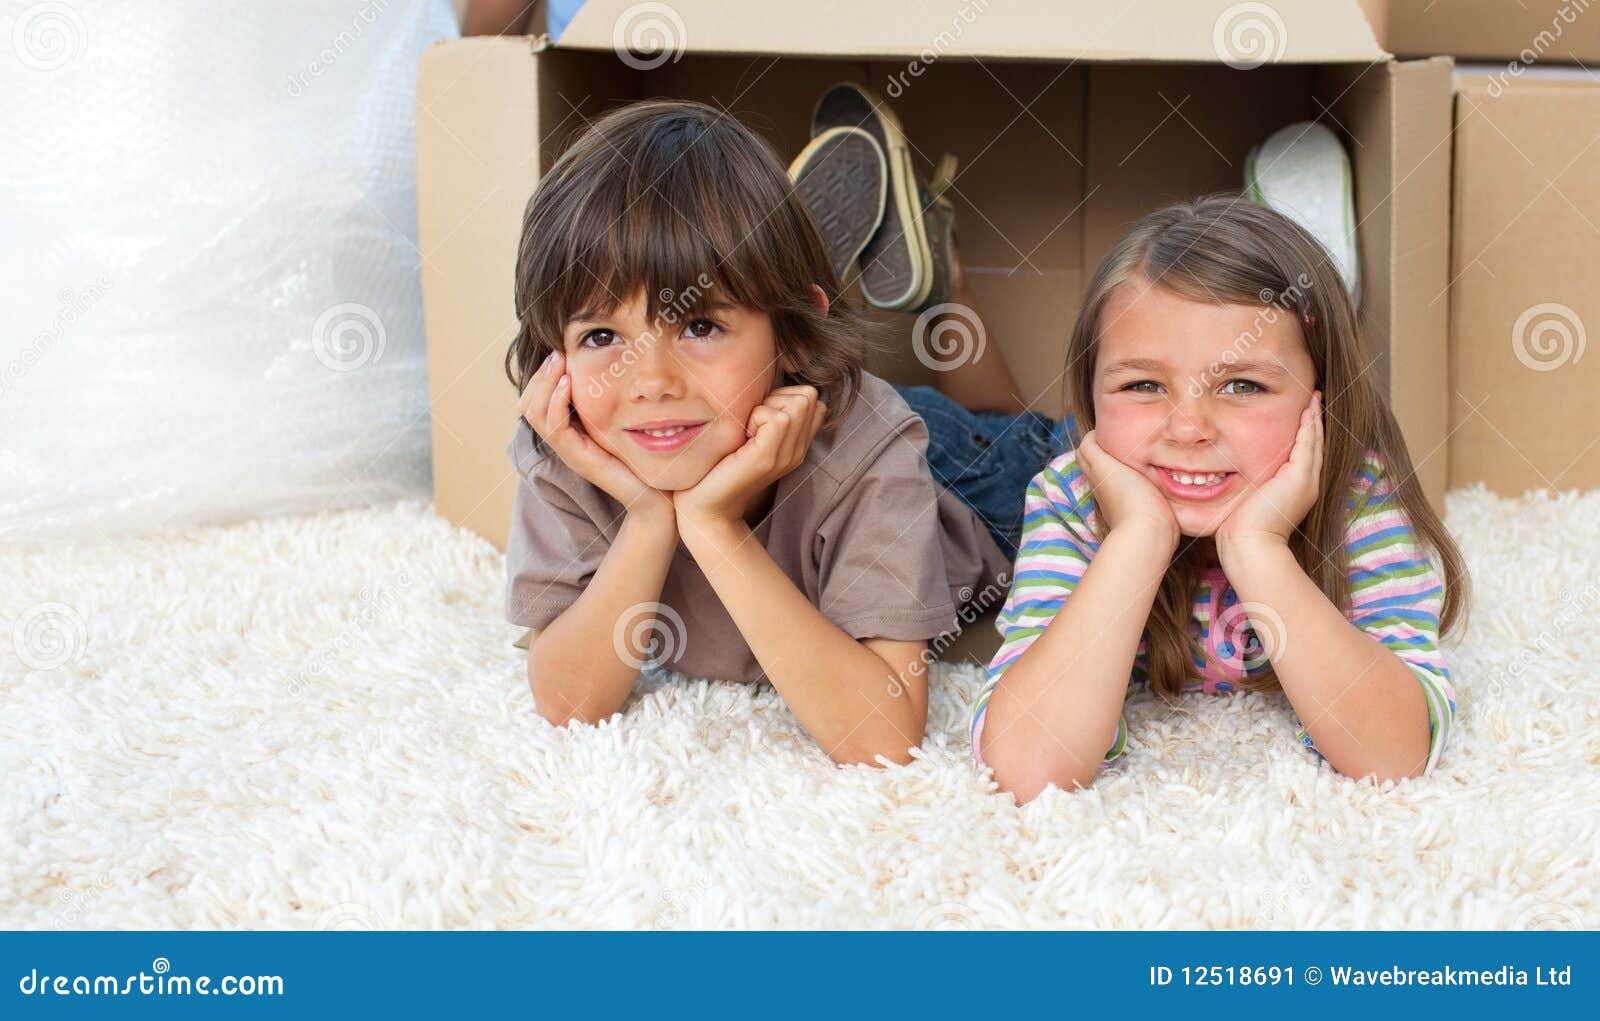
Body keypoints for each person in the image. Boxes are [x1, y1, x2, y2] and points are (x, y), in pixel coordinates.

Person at [502, 99, 1055, 767]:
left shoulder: (871, 449)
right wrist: (650, 521)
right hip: (763, 396)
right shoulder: (568, 443)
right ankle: (823, 274)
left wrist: (712, 526)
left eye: (699, 325)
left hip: (962, 480)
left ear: (792, 334)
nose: (648, 381)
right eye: (600, 336)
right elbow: (567, 702)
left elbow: (881, 735)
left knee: (1016, 431)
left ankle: (944, 288)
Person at [970, 193, 1471, 803]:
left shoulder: (1356, 497)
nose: (1188, 428)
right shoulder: (1071, 497)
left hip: (1160, 463)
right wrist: (1137, 539)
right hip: (1011, 460)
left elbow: (1394, 753)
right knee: (979, 441)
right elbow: (1028, 767)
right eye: (1143, 384)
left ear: (1324, 397)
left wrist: (1258, 548)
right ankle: (946, 286)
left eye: (1242, 384)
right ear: (1091, 395)